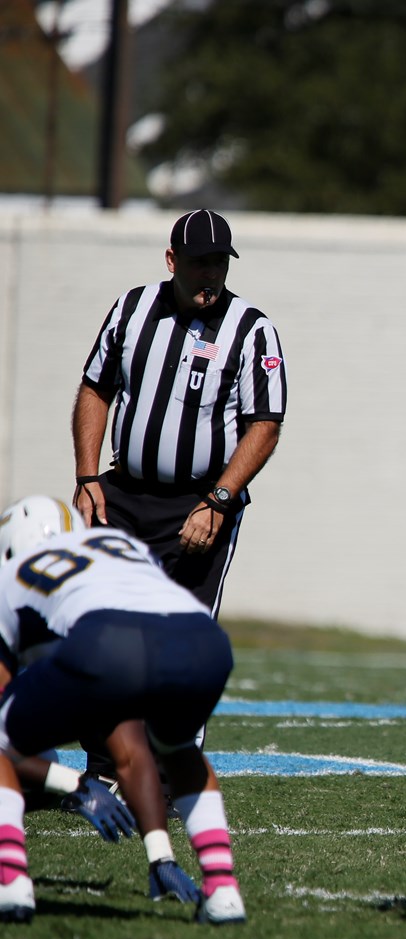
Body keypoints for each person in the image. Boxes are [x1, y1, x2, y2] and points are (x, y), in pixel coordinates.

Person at [70, 209, 287, 785]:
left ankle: (169, 774)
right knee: (102, 628)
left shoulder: (251, 329)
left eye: (219, 262)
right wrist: (87, 476)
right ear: (172, 260)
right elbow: (95, 388)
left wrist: (219, 499)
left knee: (180, 641)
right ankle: (103, 768)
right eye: (198, 262)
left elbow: (265, 424)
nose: (209, 273)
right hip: (121, 496)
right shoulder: (132, 308)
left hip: (198, 505)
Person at [0, 496, 246, 924]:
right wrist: (159, 855)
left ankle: (11, 880)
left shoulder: (13, 575)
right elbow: (131, 750)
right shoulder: (119, 546)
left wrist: (71, 783)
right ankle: (223, 891)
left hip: (106, 640)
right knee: (176, 746)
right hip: (203, 640)